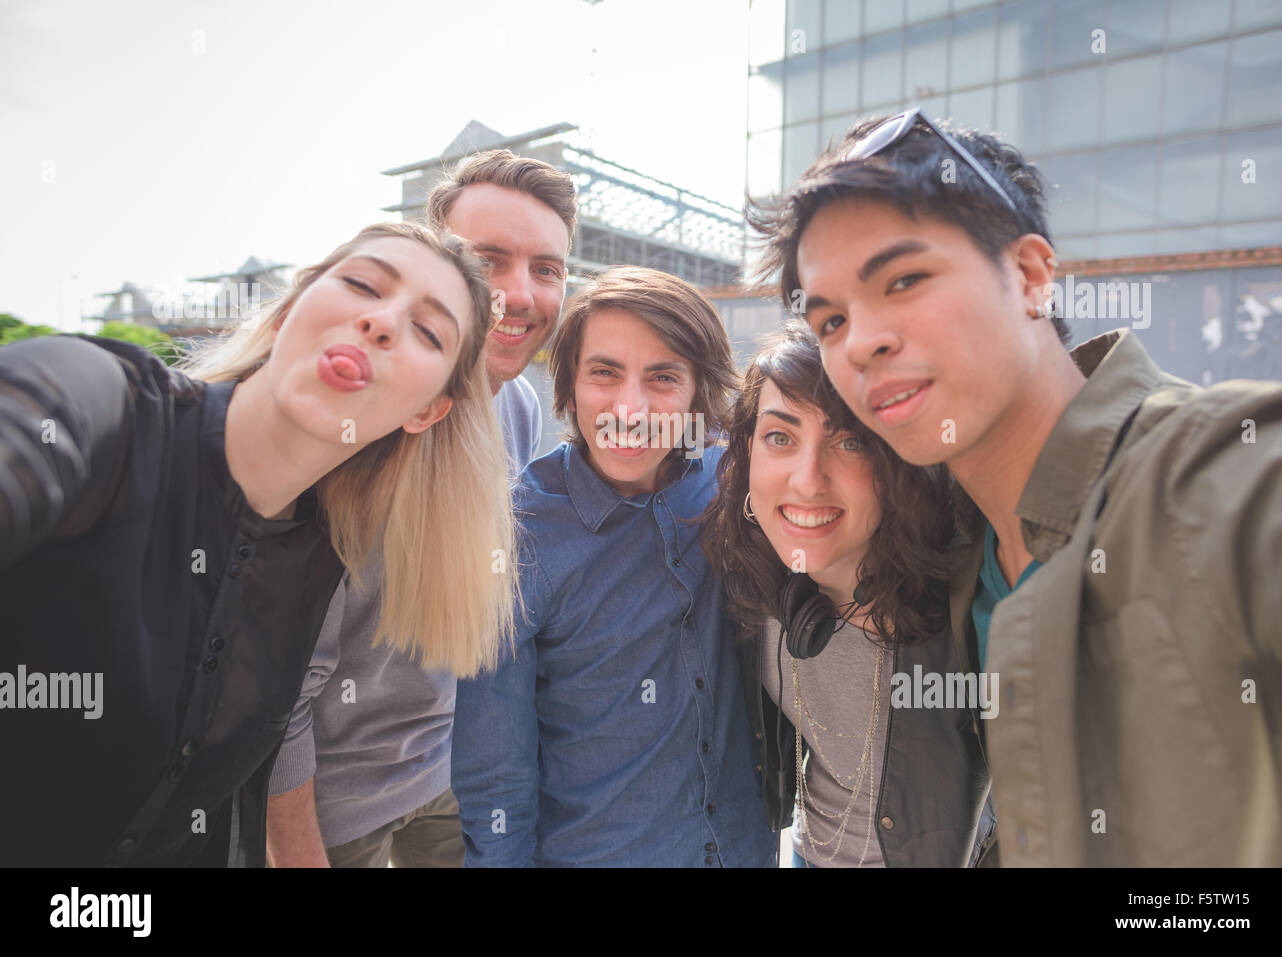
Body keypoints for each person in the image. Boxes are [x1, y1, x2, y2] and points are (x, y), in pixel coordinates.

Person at [751, 108, 1282, 865]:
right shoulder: (958, 555)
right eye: (833, 320)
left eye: (905, 279)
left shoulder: (1210, 473)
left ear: (1033, 275)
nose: (864, 340)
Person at [0, 221, 515, 866]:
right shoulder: (104, 405)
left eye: (428, 331)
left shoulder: (323, 558)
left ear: (427, 412)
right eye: (361, 284)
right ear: (288, 312)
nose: (381, 321)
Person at [266, 150, 575, 868]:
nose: (518, 294)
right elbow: (281, 681)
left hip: (448, 775)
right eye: (489, 260)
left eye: (547, 268)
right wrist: (296, 846)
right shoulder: (357, 425)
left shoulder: (520, 408)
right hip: (330, 810)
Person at [451, 266, 776, 867]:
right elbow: (494, 775)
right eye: (605, 373)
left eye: (662, 377)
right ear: (569, 387)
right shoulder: (514, 540)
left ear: (696, 392)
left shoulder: (736, 485)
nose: (631, 408)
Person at [701, 321, 993, 868]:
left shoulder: (965, 600)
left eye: (850, 441)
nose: (807, 480)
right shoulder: (753, 578)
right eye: (780, 437)